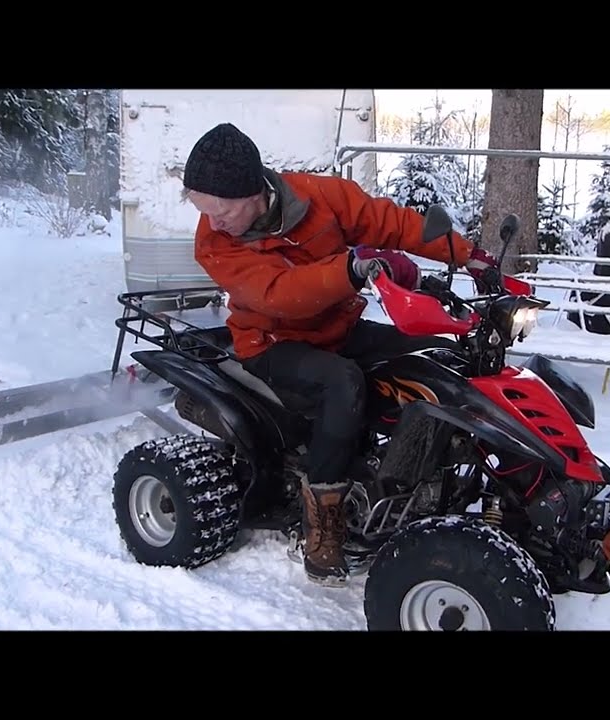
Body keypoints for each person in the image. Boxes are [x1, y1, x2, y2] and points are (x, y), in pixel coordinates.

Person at [181, 122, 500, 587]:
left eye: (221, 209)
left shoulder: (318, 197)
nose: (213, 221)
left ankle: (418, 473)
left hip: (337, 329)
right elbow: (278, 294)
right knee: (342, 381)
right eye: (203, 210)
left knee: (433, 359)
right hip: (271, 343)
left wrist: (467, 254)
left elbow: (391, 222)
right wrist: (352, 267)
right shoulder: (216, 243)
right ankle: (323, 527)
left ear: (254, 191)